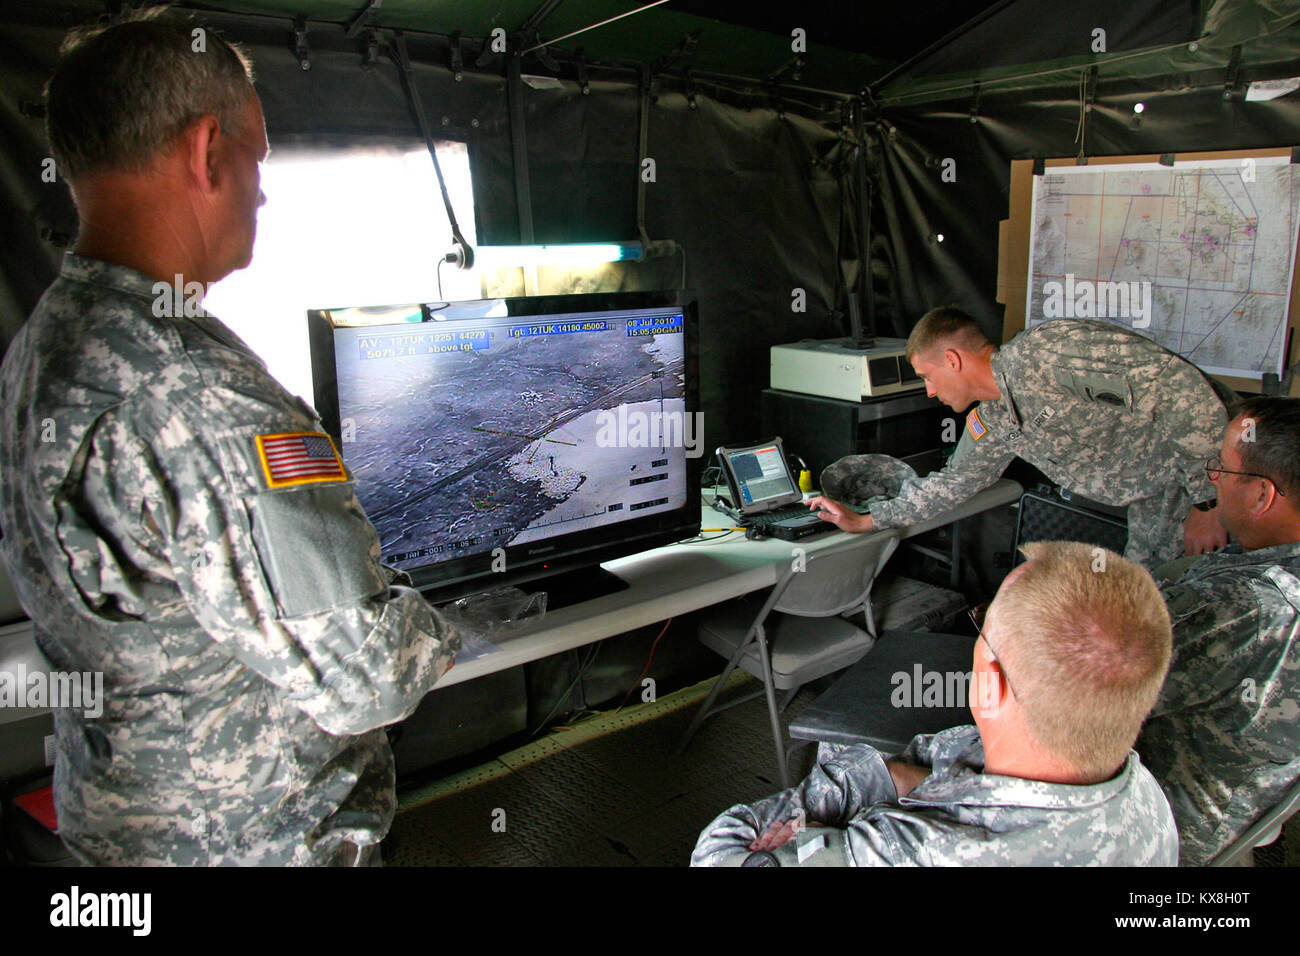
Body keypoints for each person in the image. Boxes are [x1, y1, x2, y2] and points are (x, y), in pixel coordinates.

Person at [0, 11, 461, 865]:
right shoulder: (201, 395)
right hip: (254, 843)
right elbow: (366, 679)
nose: (263, 187)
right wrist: (449, 619)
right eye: (260, 154)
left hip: (118, 835)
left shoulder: (42, 345)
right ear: (207, 151)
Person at [691, 540, 1178, 866]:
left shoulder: (902, 851)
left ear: (992, 681)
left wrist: (824, 818)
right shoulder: (1146, 799)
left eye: (982, 629)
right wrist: (908, 779)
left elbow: (720, 850)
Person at [808, 307, 1229, 567]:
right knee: (1149, 609)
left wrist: (1207, 501)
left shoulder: (1046, 353)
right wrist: (865, 520)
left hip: (1214, 480)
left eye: (927, 377)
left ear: (952, 359)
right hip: (1153, 499)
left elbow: (1178, 388)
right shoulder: (994, 420)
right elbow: (951, 486)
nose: (931, 392)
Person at [1136, 396, 1300, 866]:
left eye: (1222, 470)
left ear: (1262, 495)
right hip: (1252, 805)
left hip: (1164, 824)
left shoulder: (1241, 609)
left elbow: (1077, 701)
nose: (1212, 480)